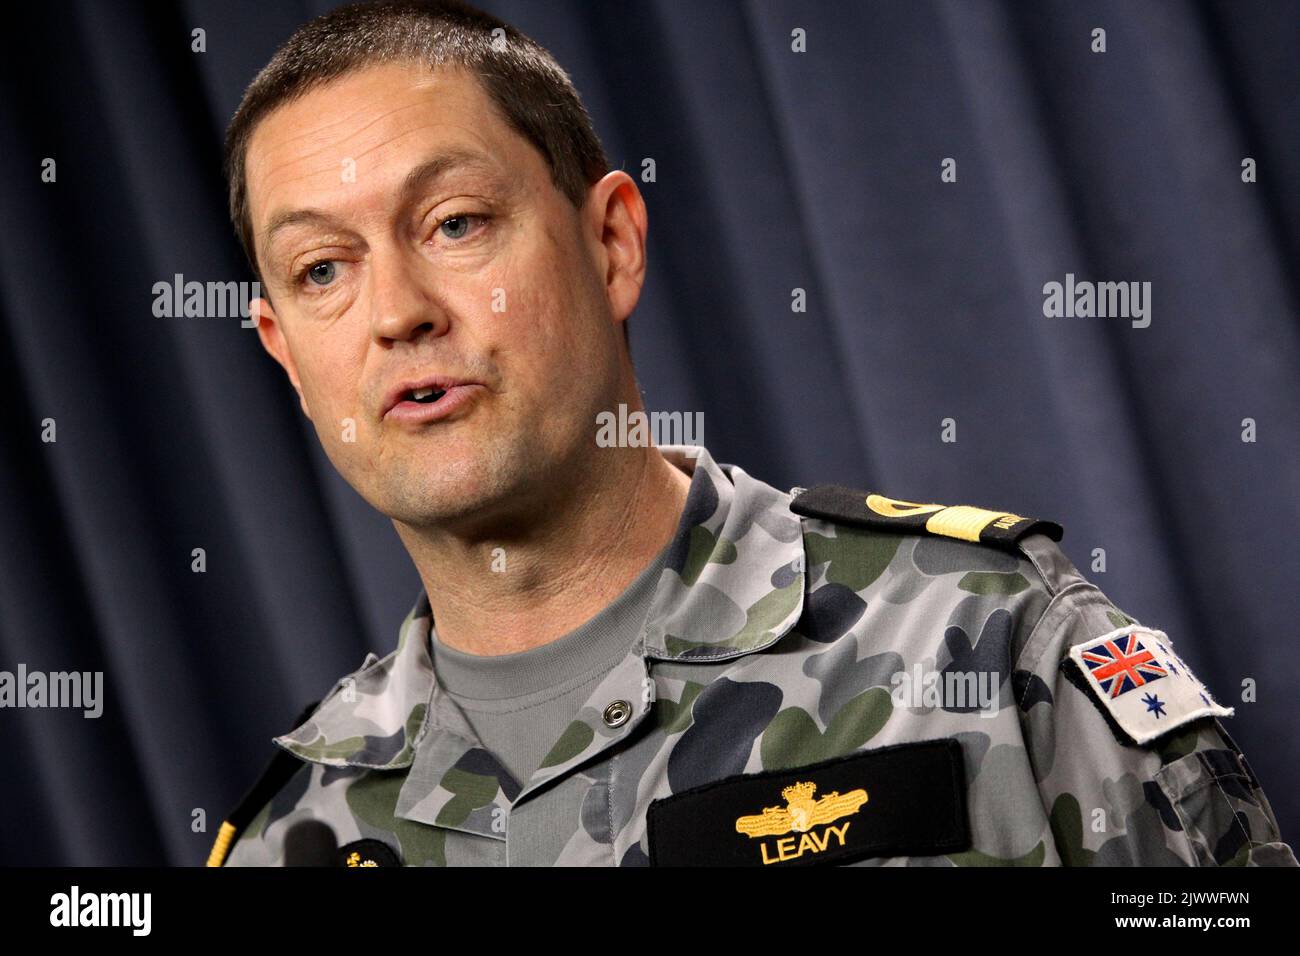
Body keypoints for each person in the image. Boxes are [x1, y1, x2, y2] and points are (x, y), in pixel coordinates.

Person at [207, 0, 1296, 867]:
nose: (397, 310)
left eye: (454, 224)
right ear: (285, 351)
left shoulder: (995, 646)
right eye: (321, 270)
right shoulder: (287, 832)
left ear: (612, 244)